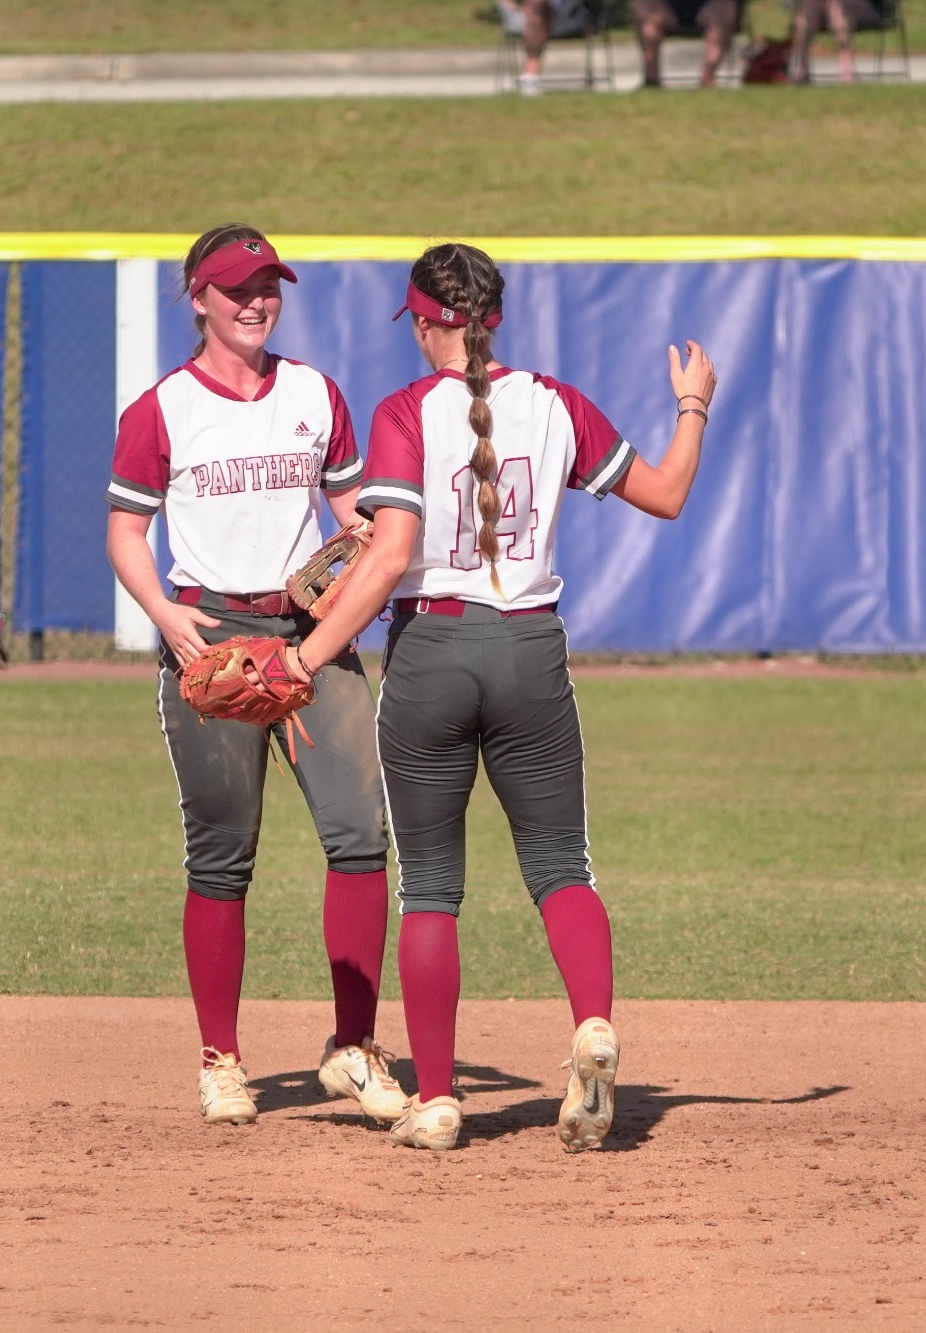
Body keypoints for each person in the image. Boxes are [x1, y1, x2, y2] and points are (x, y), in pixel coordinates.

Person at [283, 242, 716, 1152]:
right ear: (496, 318)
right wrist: (692, 405)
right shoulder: (557, 404)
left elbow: (392, 553)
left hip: (435, 650)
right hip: (530, 648)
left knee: (432, 888)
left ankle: (438, 1100)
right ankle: (591, 1024)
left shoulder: (406, 411)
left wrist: (308, 657)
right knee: (563, 868)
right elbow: (670, 494)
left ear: (427, 322)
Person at [105, 223, 406, 1131]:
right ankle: (220, 1060)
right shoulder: (163, 408)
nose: (256, 300)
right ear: (198, 297)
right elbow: (125, 532)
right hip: (213, 641)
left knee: (360, 835)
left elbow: (351, 509)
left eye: (268, 284)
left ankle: (353, 1048)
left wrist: (357, 544)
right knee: (222, 857)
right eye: (237, 287)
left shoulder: (314, 393)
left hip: (308, 637)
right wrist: (166, 616)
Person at [632, 0, 741, 87]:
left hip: (711, 5)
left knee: (724, 6)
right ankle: (651, 79)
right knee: (646, 5)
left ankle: (708, 78)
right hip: (665, 6)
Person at [498, 0, 594, 95]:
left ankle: (530, 74)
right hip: (521, 16)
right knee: (536, 5)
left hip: (571, 15)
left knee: (537, 4)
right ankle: (530, 76)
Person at [789, 0, 881, 82]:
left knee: (836, 7)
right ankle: (801, 67)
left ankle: (847, 70)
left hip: (864, 7)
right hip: (818, 8)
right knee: (808, 9)